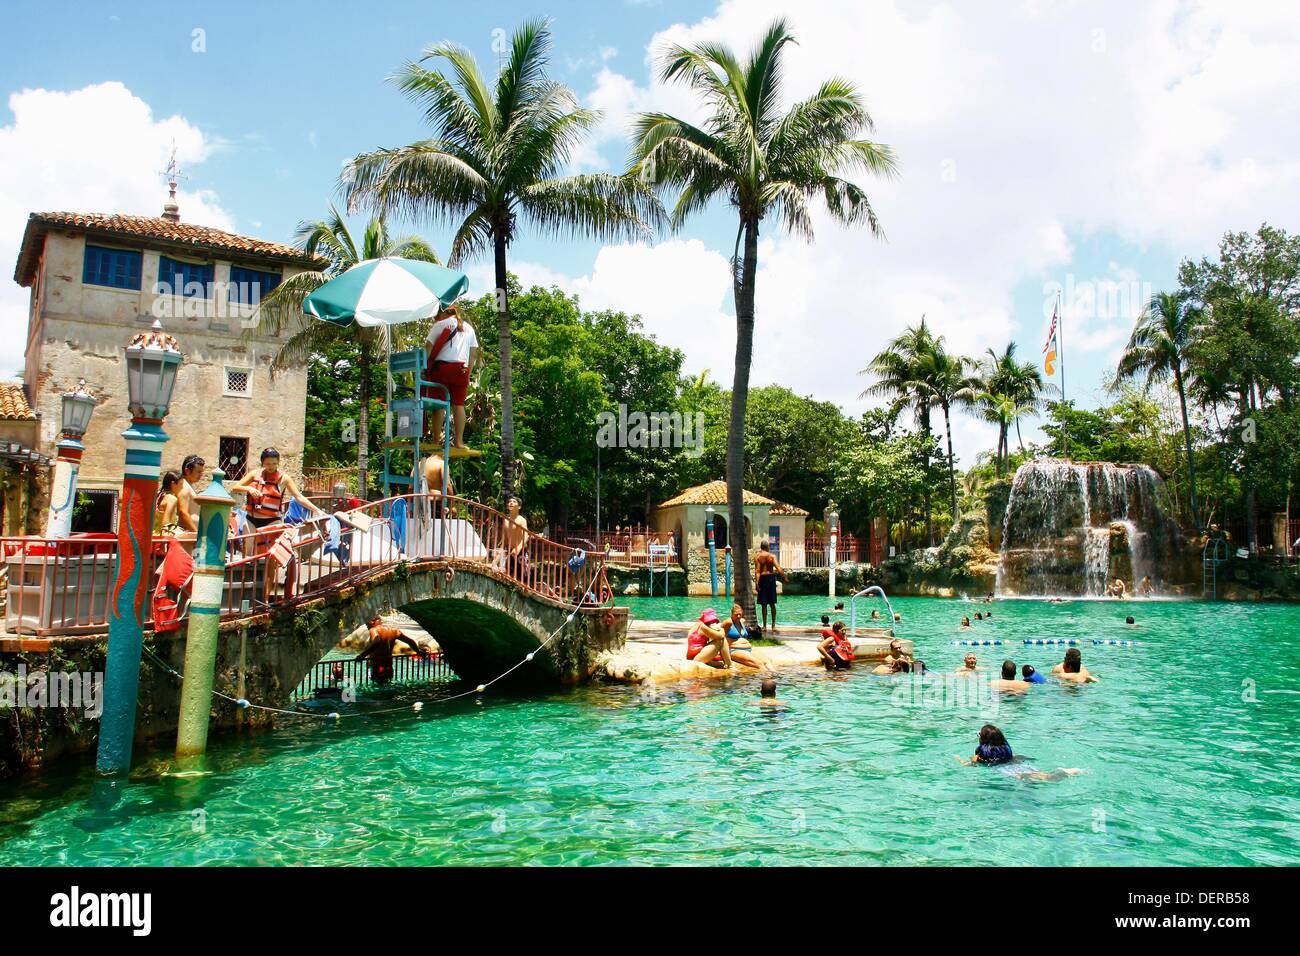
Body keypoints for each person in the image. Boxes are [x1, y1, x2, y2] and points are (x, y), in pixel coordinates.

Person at [423, 304, 480, 450]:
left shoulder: (440, 324)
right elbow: (473, 354)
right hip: (462, 369)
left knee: (438, 405)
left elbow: (428, 348)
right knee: (458, 405)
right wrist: (467, 372)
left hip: (442, 369)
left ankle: (436, 441)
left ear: (442, 314)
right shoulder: (469, 328)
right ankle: (460, 442)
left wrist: (423, 367)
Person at [231, 448, 319, 528]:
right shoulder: (254, 474)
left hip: (272, 521)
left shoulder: (285, 478)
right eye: (267, 464)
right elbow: (235, 487)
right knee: (249, 546)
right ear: (262, 463)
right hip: (251, 519)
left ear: (278, 463)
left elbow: (299, 497)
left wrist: (316, 510)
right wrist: (250, 489)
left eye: (274, 463)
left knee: (270, 545)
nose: (271, 466)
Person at [959, 724, 1083, 781]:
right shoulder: (1005, 750)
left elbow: (969, 764)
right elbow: (1016, 757)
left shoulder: (980, 755)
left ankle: (1062, 772)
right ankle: (1063, 772)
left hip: (1008, 770)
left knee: (1044, 778)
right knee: (1039, 775)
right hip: (1018, 765)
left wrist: (959, 759)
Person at [356, 615, 426, 685]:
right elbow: (410, 641)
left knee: (376, 689)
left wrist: (362, 655)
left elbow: (377, 642)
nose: (366, 624)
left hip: (377, 666)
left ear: (375, 621)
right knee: (387, 688)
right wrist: (418, 652)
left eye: (367, 622)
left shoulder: (374, 630)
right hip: (388, 667)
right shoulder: (394, 631)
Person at [753, 540, 787, 633]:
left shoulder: (757, 557)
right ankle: (773, 626)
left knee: (764, 604)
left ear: (761, 547)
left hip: (762, 579)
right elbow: (778, 568)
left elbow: (757, 571)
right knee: (772, 603)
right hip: (771, 579)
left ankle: (764, 626)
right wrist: (785, 578)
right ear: (767, 547)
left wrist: (756, 583)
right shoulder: (772, 556)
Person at [724, 604, 768, 671]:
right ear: (732, 614)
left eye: (740, 614)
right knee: (759, 664)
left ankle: (775, 679)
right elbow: (721, 638)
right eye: (736, 614)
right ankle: (768, 679)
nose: (738, 616)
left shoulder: (742, 621)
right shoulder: (728, 623)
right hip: (734, 650)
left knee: (767, 662)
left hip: (747, 649)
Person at [502, 495, 530, 584]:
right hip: (510, 550)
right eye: (510, 501)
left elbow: (526, 535)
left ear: (519, 507)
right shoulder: (506, 520)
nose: (511, 503)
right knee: (509, 573)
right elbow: (505, 537)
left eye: (514, 501)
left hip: (521, 551)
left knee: (522, 574)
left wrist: (518, 548)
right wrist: (501, 550)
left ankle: (525, 591)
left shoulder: (522, 520)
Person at [177, 455, 205, 533]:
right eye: (198, 472)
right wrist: (195, 532)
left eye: (202, 472)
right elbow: (183, 512)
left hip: (191, 534)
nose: (201, 475)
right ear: (187, 471)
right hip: (187, 535)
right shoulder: (184, 487)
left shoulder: (189, 486)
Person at [153, 471, 183, 538]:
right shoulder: (172, 499)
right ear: (173, 484)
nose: (182, 488)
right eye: (181, 484)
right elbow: (166, 524)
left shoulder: (158, 495)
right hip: (161, 539)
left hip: (153, 536)